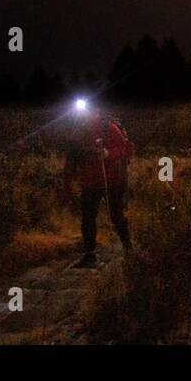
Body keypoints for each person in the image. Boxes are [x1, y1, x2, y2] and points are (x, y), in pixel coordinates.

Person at [63, 108, 133, 267]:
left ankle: (128, 247)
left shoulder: (107, 127)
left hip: (113, 180)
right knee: (87, 218)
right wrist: (67, 184)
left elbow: (123, 148)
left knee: (117, 215)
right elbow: (71, 160)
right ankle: (90, 255)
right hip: (90, 182)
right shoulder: (76, 133)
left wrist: (108, 153)